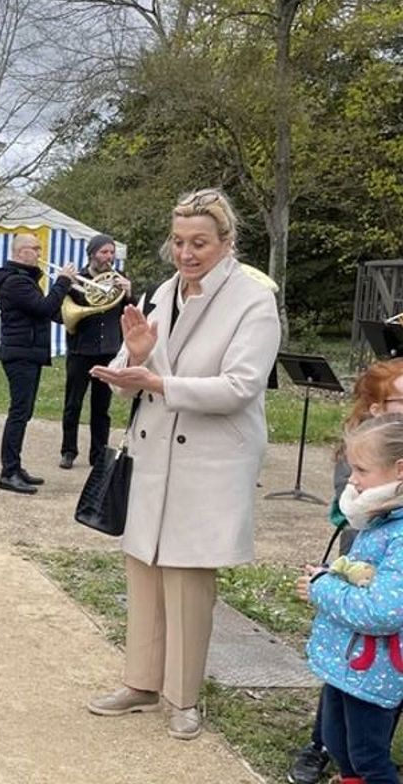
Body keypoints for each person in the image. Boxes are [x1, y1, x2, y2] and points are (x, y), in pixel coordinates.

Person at [86, 187, 280, 740]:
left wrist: (158, 380)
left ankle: (184, 697)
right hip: (154, 452)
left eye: (199, 242)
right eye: (178, 241)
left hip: (212, 459)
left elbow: (241, 387)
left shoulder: (251, 299)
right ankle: (141, 681)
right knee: (144, 567)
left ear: (226, 242)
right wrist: (135, 361)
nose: (186, 253)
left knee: (189, 577)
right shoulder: (164, 291)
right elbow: (134, 364)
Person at [288, 358, 403, 784]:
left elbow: (384, 610)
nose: (351, 483)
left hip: (376, 668)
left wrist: (322, 587)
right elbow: (362, 572)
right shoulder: (377, 517)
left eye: (360, 473)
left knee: (368, 756)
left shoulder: (397, 531)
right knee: (343, 747)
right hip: (349, 662)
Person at [0, 234, 77, 494]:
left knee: (23, 413)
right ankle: (8, 472)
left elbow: (49, 311)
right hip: (20, 354)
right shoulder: (15, 282)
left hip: (29, 352)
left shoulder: (25, 280)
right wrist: (62, 281)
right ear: (20, 252)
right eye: (35, 248)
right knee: (18, 413)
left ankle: (15, 467)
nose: (40, 252)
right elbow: (43, 307)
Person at [57, 233, 132, 470]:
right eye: (104, 252)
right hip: (81, 349)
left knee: (102, 407)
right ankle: (68, 451)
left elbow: (133, 311)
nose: (108, 257)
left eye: (111, 252)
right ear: (92, 254)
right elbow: (59, 312)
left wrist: (129, 292)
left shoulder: (120, 280)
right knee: (73, 404)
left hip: (108, 349)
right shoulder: (75, 279)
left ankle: (98, 454)